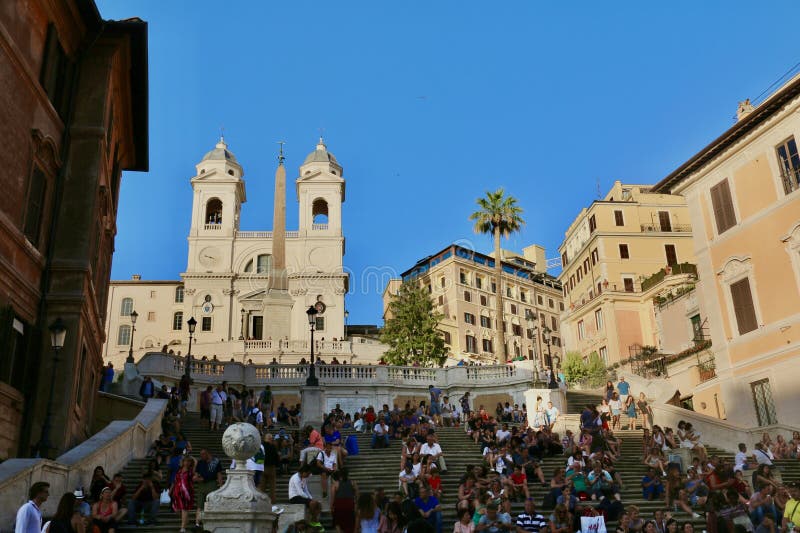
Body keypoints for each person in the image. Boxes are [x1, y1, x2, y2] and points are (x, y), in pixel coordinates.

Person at [171, 456, 196, 533]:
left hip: (187, 492)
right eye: (185, 461)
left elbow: (195, 463)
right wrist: (171, 490)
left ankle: (183, 528)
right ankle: (185, 521)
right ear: (183, 462)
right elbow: (175, 481)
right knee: (177, 509)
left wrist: (192, 458)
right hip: (177, 492)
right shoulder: (179, 470)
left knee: (184, 509)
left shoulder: (191, 470)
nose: (187, 463)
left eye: (189, 461)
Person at [331, 468, 357, 533]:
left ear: (340, 475)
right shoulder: (353, 482)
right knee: (349, 523)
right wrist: (355, 503)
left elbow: (333, 497)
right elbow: (357, 494)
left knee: (337, 522)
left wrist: (331, 506)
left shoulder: (336, 484)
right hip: (350, 504)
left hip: (339, 504)